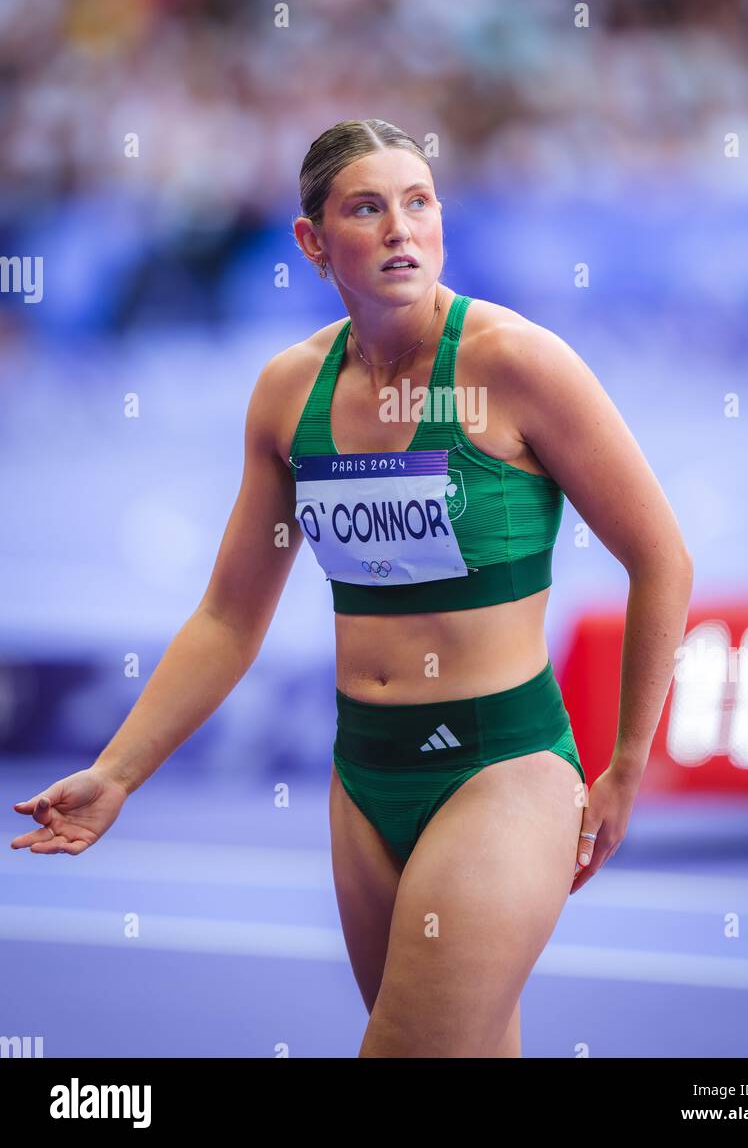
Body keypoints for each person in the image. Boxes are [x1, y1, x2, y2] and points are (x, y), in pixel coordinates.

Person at [10, 119, 693, 1058]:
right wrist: (117, 772)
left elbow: (661, 559)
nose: (401, 229)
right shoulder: (290, 394)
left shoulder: (516, 363)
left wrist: (626, 764)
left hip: (502, 771)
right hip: (365, 779)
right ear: (313, 241)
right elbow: (227, 617)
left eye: (419, 203)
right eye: (368, 209)